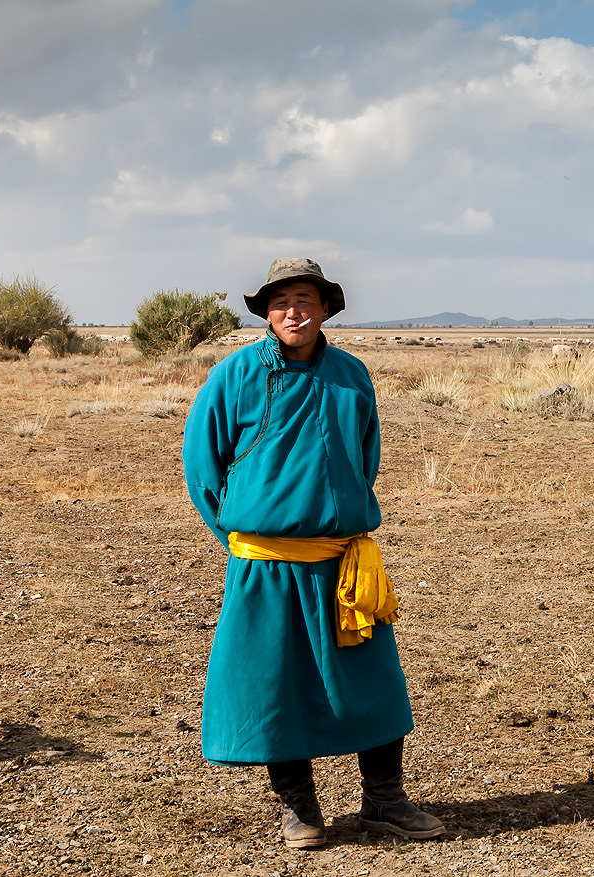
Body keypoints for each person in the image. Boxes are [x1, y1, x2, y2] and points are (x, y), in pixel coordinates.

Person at [182, 257, 443, 848]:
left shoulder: (351, 375)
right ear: (266, 314)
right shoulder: (234, 376)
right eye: (281, 302)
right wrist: (243, 536)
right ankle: (299, 808)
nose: (294, 311)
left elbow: (365, 455)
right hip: (265, 565)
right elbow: (203, 466)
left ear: (326, 308)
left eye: (305, 299)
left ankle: (384, 799)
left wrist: (340, 511)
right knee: (275, 685)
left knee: (373, 682)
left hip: (342, 560)